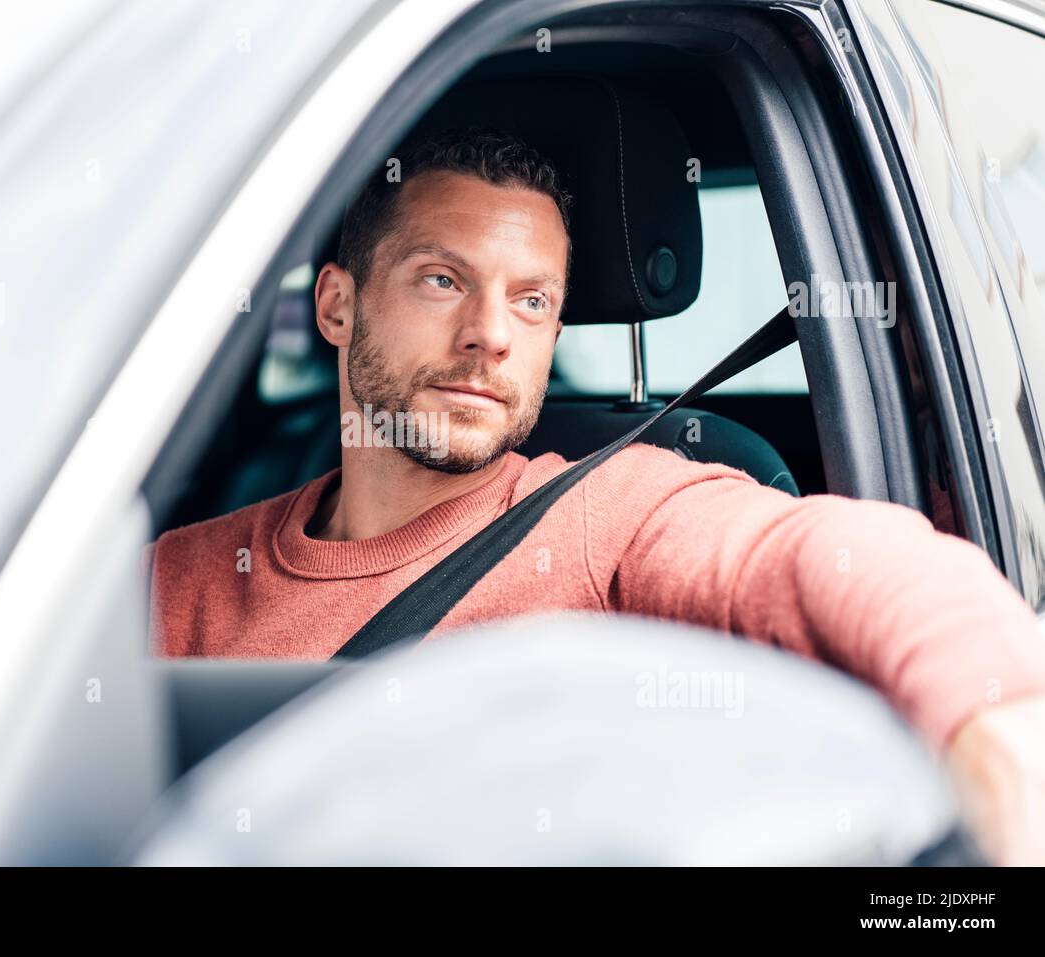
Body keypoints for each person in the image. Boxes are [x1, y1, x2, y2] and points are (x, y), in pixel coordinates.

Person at [149, 129, 1045, 864]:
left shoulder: (607, 515)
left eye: (532, 301)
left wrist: (995, 709)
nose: (489, 336)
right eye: (443, 280)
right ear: (338, 307)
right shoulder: (177, 576)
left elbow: (827, 555)